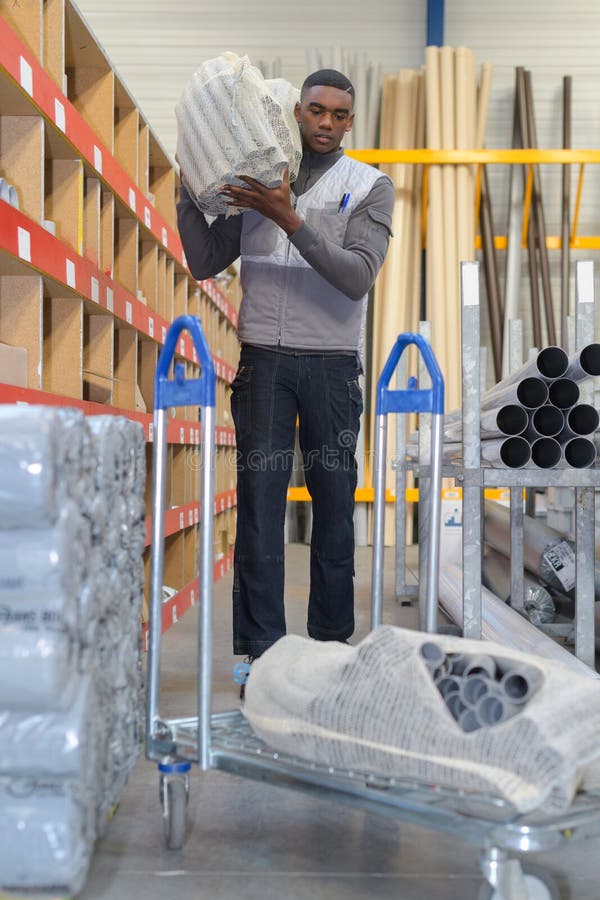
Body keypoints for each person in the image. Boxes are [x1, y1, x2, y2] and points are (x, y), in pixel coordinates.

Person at [177, 68, 394, 687]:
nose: (327, 123)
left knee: (332, 510)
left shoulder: (370, 187)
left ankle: (329, 650)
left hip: (329, 369)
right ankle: (259, 653)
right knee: (260, 507)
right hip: (264, 366)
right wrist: (188, 185)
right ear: (297, 111)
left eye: (340, 115)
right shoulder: (257, 177)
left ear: (351, 120)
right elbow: (203, 258)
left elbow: (357, 277)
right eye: (317, 111)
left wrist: (288, 216)